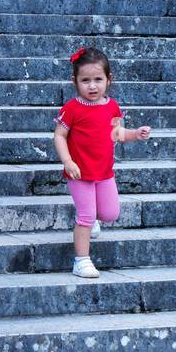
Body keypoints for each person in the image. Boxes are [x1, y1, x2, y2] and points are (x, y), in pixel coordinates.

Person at [53, 46, 151, 278]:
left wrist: (136, 133)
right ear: (75, 81)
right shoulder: (72, 109)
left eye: (98, 79)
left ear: (109, 80)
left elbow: (117, 133)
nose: (92, 86)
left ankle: (91, 222)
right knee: (85, 216)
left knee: (109, 214)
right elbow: (59, 135)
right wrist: (67, 161)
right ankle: (81, 261)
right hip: (80, 173)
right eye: (85, 80)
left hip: (104, 172)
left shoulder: (112, 106)